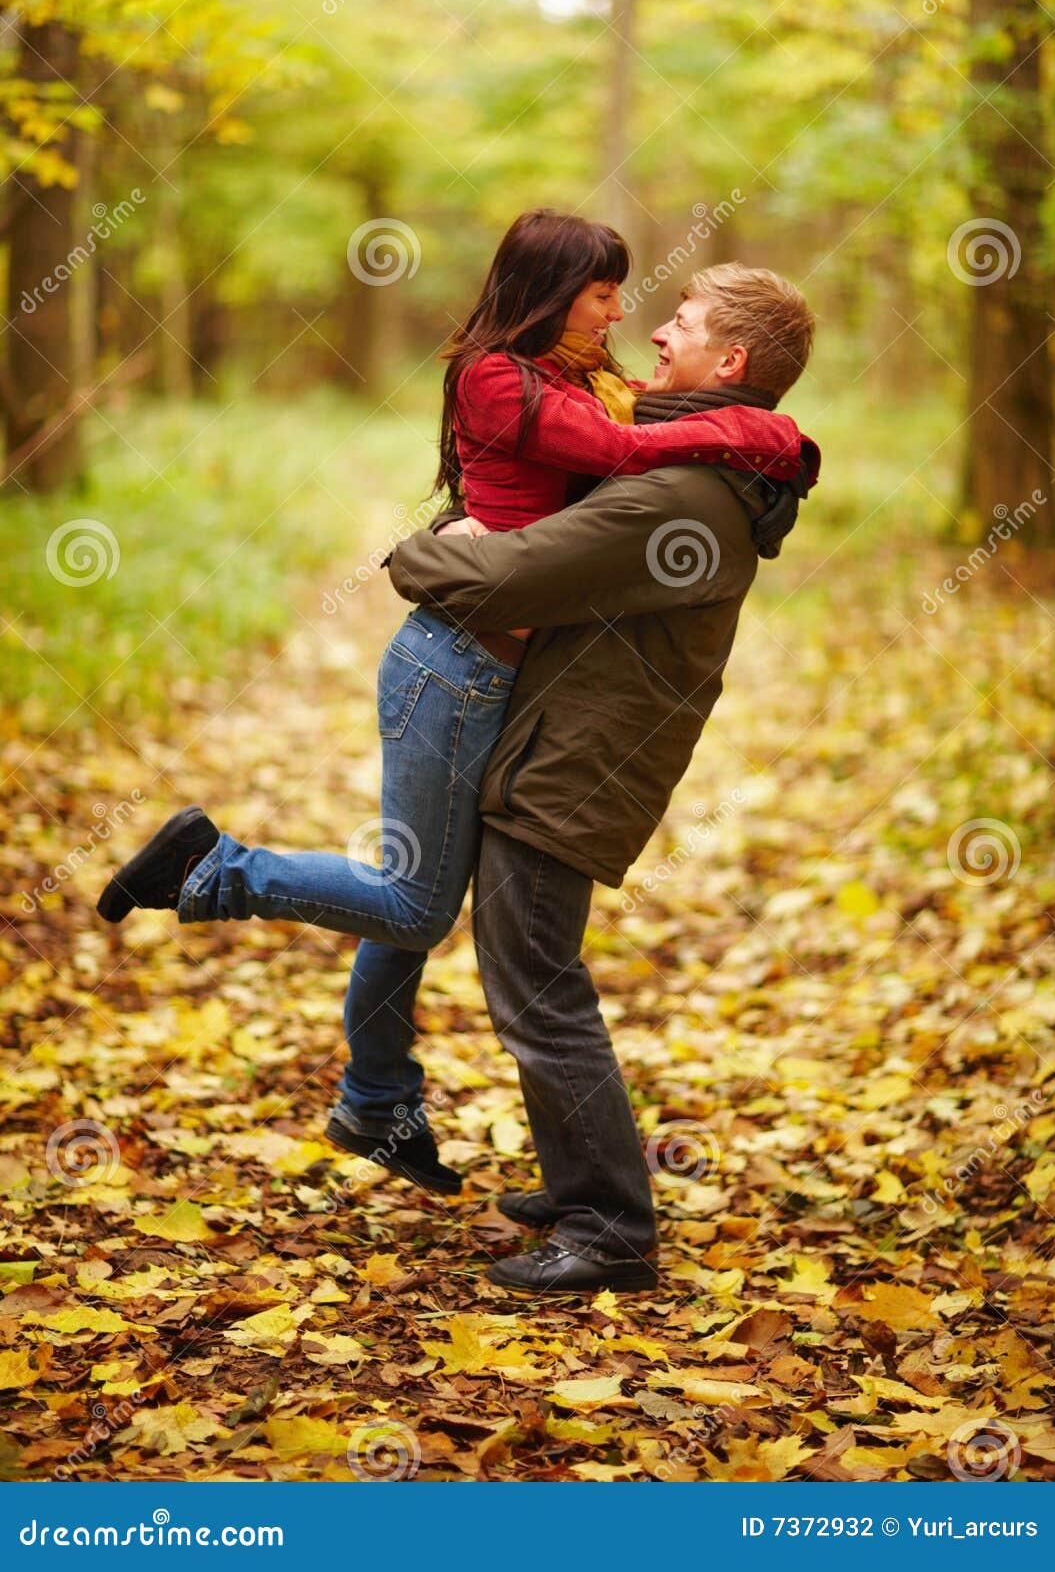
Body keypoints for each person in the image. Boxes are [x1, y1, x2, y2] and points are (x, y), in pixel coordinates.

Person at [94, 215, 806, 1198]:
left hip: (491, 675)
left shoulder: (586, 381)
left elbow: (634, 432)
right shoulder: (503, 376)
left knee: (416, 897)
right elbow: (598, 465)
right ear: (552, 293)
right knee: (417, 902)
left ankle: (378, 1100)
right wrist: (763, 431)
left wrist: (761, 435)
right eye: (604, 293)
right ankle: (217, 868)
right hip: (454, 661)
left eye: (651, 304)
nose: (626, 315)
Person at [382, 261, 820, 1291]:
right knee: (532, 971)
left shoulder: (682, 495)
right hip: (565, 750)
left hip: (571, 768)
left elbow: (507, 572)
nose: (656, 331)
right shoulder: (696, 467)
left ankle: (608, 1226)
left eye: (682, 320)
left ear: (733, 359)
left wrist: (418, 549)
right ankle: (581, 1177)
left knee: (536, 982)